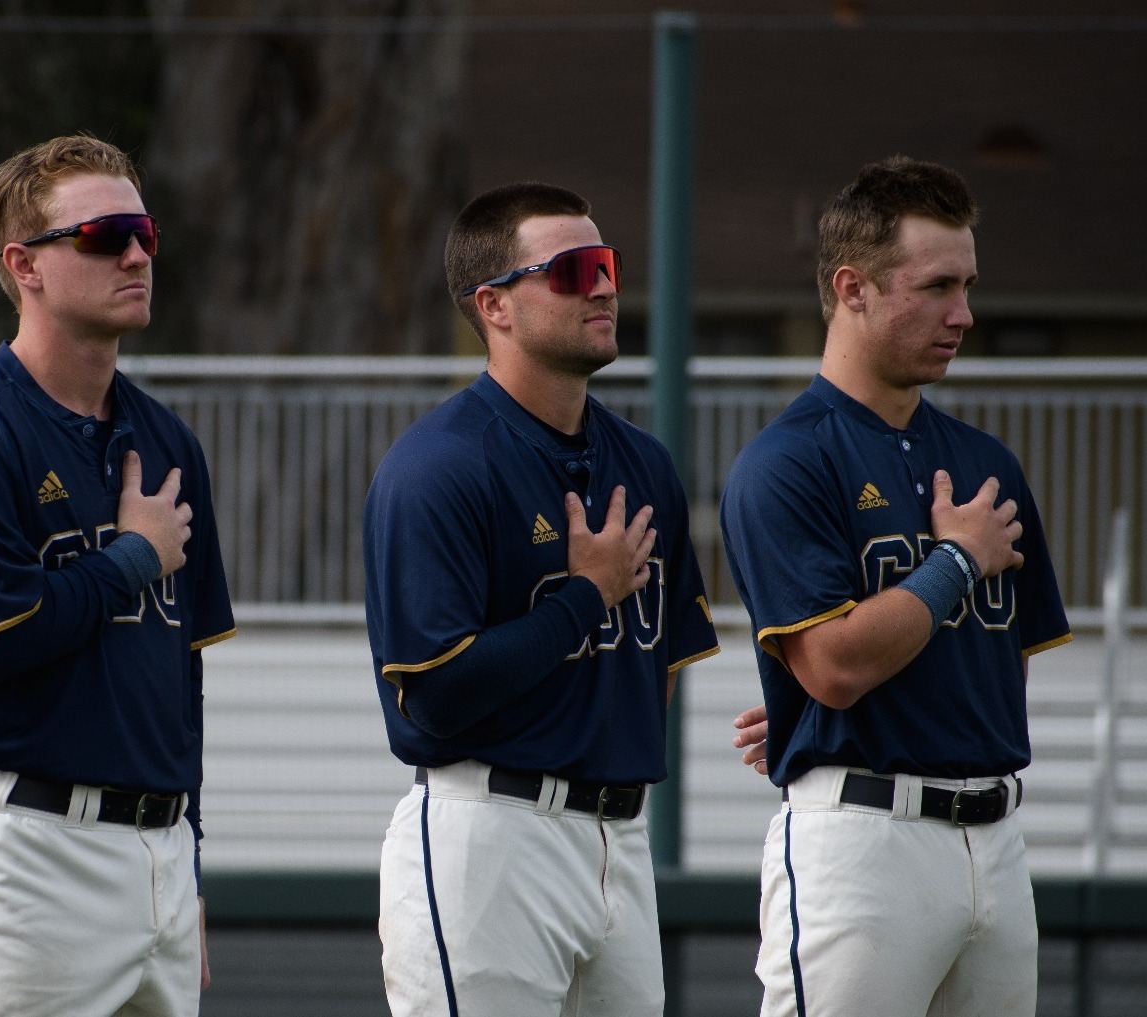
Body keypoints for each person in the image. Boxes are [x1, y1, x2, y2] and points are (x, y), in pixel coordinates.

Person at [0, 135, 235, 1017]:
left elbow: (181, 681)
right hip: (26, 851)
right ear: (24, 265)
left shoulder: (168, 440)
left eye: (145, 233)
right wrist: (132, 558)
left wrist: (187, 855)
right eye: (103, 236)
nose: (136, 255)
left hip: (157, 855)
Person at [719, 155, 1071, 1017]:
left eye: (968, 285)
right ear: (854, 288)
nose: (964, 313)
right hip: (865, 843)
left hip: (997, 841)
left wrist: (865, 700)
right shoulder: (787, 461)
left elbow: (1002, 666)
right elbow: (836, 668)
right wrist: (956, 562)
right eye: (937, 286)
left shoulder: (987, 463)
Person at [362, 182, 720, 1015]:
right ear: (494, 305)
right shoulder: (438, 465)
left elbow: (658, 669)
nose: (602, 287)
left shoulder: (645, 463)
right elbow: (437, 693)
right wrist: (586, 594)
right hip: (493, 832)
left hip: (620, 838)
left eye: (607, 265)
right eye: (570, 271)